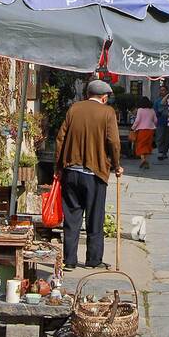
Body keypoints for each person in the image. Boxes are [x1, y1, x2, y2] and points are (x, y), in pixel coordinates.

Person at [54, 79, 123, 269]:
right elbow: (114, 142)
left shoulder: (74, 109)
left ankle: (69, 261)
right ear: (103, 97)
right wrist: (116, 165)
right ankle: (93, 260)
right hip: (95, 173)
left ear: (87, 94)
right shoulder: (107, 112)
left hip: (70, 172)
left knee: (72, 217)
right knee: (95, 217)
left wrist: (58, 167)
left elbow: (60, 139)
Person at [131, 96, 157, 170]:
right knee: (147, 145)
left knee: (141, 145)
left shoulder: (140, 110)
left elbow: (137, 120)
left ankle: (143, 159)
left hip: (141, 130)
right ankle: (145, 160)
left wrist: (133, 128)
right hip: (150, 130)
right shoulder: (152, 110)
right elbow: (155, 120)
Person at [153, 84, 169, 161]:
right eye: (161, 90)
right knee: (160, 137)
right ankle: (160, 151)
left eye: (164, 90)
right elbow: (155, 111)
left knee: (167, 138)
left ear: (167, 91)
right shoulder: (157, 101)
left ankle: (165, 152)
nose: (162, 91)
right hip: (160, 121)